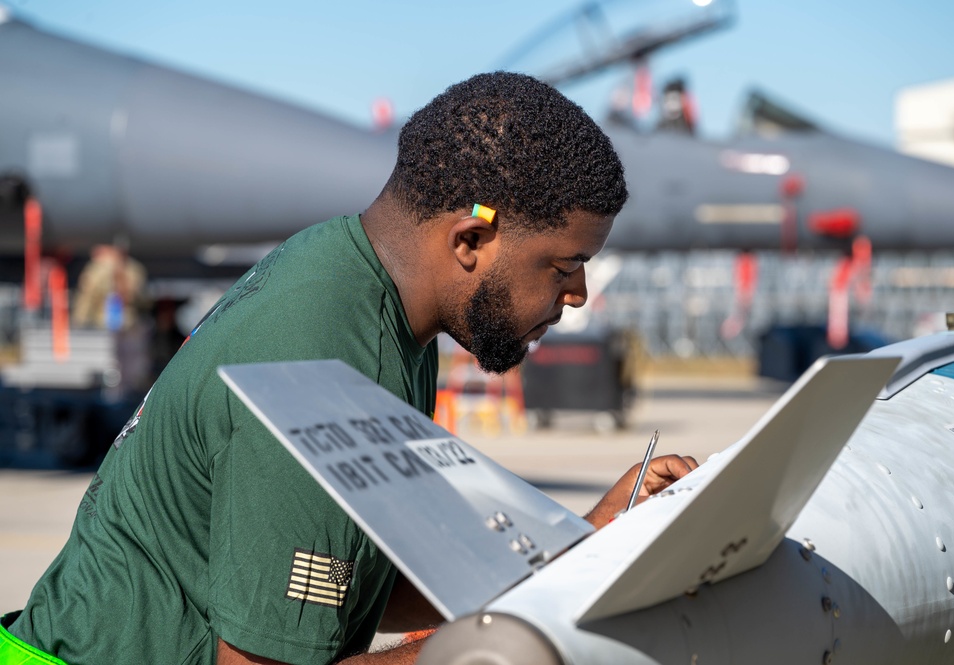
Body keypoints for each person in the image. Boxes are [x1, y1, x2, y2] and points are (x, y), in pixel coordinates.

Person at [0, 72, 697, 665]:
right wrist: (494, 647)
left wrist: (580, 546)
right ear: (471, 239)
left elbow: (354, 581)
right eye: (565, 266)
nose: (578, 294)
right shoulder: (322, 350)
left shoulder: (375, 300)